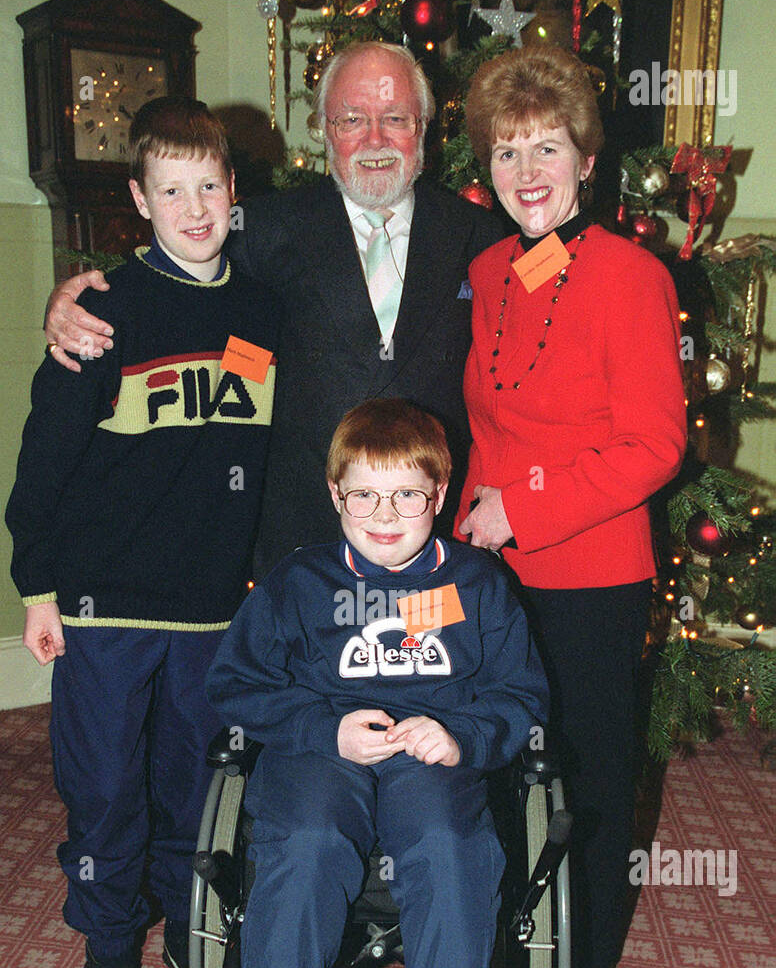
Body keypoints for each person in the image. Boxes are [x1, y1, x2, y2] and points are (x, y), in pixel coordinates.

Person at [205, 398, 549, 968]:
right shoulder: (298, 583)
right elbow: (234, 686)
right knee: (308, 838)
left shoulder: (477, 583)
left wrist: (461, 732)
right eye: (365, 495)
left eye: (407, 496)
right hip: (320, 754)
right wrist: (324, 727)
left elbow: (521, 696)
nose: (386, 515)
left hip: (431, 757)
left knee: (449, 844)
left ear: (440, 496)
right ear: (334, 495)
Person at [5, 97, 278, 968]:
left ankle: (188, 928)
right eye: (171, 189)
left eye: (208, 185)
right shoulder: (102, 312)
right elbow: (45, 455)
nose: (194, 206)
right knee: (106, 784)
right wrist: (36, 583)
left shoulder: (259, 310)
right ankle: (109, 949)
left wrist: (253, 575)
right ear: (139, 198)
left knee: (196, 781)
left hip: (210, 607)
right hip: (103, 601)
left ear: (231, 189)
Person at [42, 43, 502, 576]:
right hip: (296, 549)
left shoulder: (480, 235)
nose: (374, 140)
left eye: (394, 118)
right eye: (353, 119)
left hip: (438, 545)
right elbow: (171, 281)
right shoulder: (260, 229)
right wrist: (77, 303)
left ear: (423, 128)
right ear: (327, 130)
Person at [457, 47, 687, 968]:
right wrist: (464, 534)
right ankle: (515, 938)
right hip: (496, 571)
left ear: (587, 159)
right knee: (503, 761)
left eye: (546, 148)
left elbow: (654, 445)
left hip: (592, 573)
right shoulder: (486, 270)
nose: (527, 174)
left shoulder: (632, 276)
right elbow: (486, 420)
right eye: (508, 153)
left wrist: (526, 508)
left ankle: (579, 964)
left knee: (586, 777)